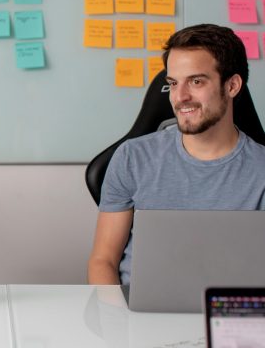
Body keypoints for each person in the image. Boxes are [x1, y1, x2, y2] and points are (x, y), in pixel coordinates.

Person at [87, 24, 265, 285]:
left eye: (196, 81)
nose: (180, 97)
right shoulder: (132, 158)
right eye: (173, 83)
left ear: (232, 86)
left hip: (230, 306)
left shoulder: (261, 169)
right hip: (138, 306)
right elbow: (104, 261)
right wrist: (115, 310)